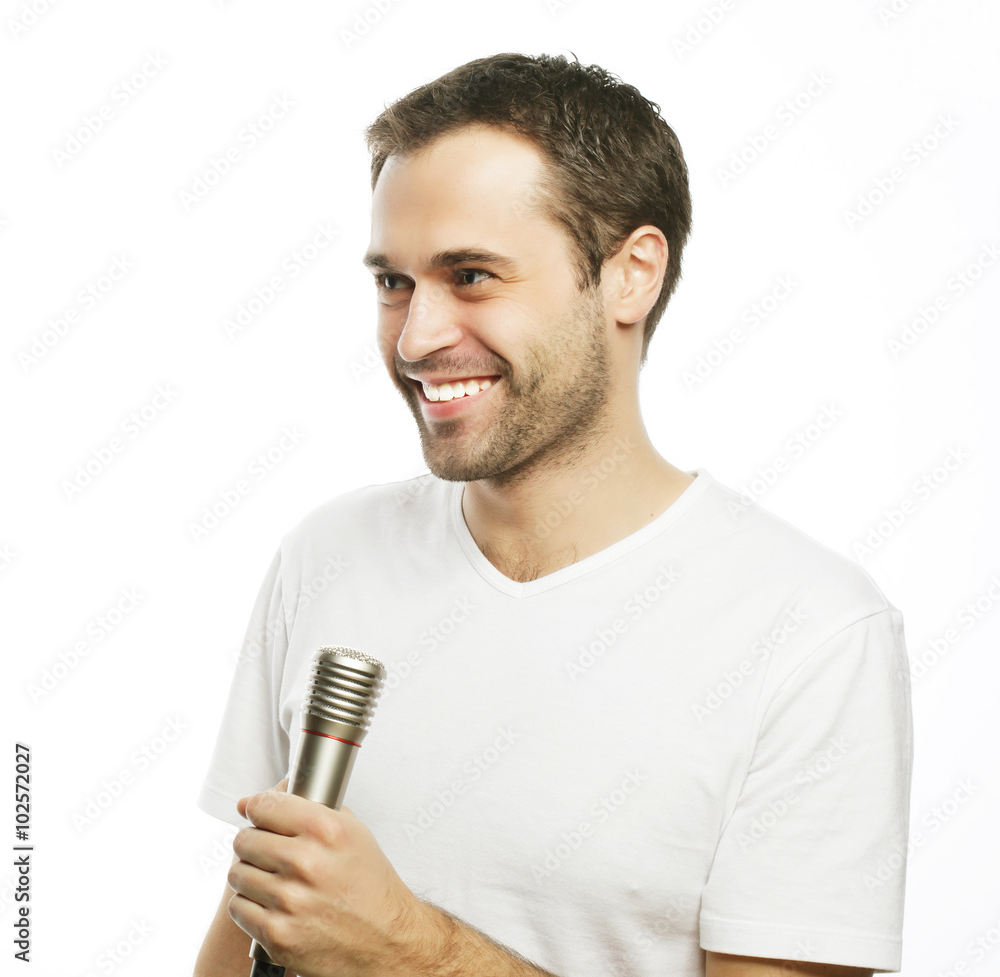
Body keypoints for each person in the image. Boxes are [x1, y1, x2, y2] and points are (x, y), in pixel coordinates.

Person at [194, 53, 913, 977]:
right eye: (393, 282)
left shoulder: (812, 636)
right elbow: (255, 913)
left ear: (630, 277)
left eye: (473, 275)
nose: (416, 339)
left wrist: (415, 951)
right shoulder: (329, 555)